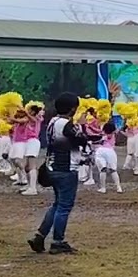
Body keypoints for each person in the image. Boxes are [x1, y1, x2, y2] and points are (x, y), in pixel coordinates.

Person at [28, 93, 93, 255]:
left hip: (53, 167)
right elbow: (81, 140)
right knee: (64, 206)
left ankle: (40, 236)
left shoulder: (53, 122)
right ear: (72, 108)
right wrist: (82, 126)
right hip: (66, 169)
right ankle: (58, 242)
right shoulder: (65, 124)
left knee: (57, 204)